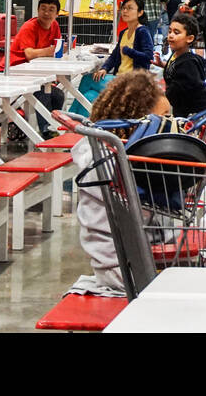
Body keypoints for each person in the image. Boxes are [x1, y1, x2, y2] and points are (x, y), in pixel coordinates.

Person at [71, 71, 171, 295]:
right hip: (124, 272)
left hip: (124, 264)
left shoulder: (109, 154)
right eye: (164, 116)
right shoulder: (108, 165)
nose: (170, 123)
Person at [12, 0, 65, 129]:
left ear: (57, 13)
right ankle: (45, 130)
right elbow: (29, 54)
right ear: (37, 10)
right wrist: (49, 51)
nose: (46, 13)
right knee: (43, 94)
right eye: (43, 8)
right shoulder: (29, 27)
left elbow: (55, 50)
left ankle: (55, 126)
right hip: (17, 72)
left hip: (37, 74)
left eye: (51, 9)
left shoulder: (55, 26)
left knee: (58, 95)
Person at [162, 12, 206, 117]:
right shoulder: (177, 56)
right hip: (183, 112)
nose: (171, 35)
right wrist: (162, 65)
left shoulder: (188, 64)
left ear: (189, 38)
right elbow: (175, 69)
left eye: (176, 33)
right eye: (169, 31)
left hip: (196, 116)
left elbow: (177, 89)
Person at [94, 0, 153, 79]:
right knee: (93, 82)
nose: (125, 11)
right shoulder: (123, 33)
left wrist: (128, 51)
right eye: (123, 8)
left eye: (129, 8)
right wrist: (105, 68)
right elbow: (114, 55)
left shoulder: (142, 32)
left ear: (140, 13)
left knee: (87, 81)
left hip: (134, 80)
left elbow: (148, 57)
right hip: (119, 77)